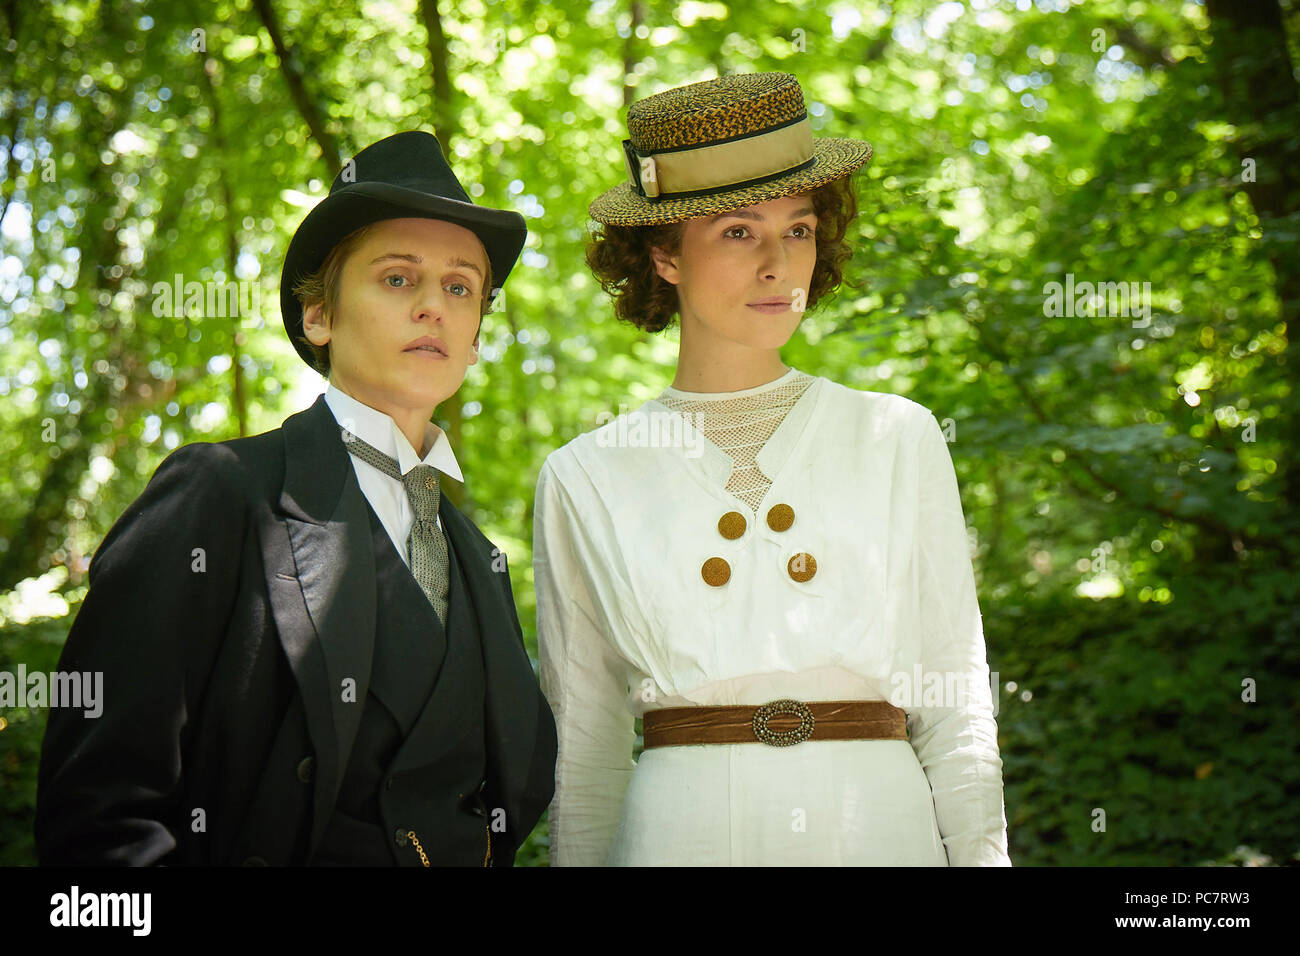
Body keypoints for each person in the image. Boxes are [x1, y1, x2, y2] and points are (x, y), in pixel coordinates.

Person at [35, 130, 557, 866]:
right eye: (399, 279)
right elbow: (100, 817)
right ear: (319, 317)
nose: (434, 306)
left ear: (475, 338)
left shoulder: (481, 560)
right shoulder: (218, 494)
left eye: (460, 286)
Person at [534, 73, 1011, 866]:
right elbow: (583, 743)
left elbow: (955, 699)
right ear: (664, 256)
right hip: (674, 840)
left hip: (880, 833)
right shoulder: (585, 475)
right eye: (736, 232)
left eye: (798, 229)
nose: (777, 263)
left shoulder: (897, 435)